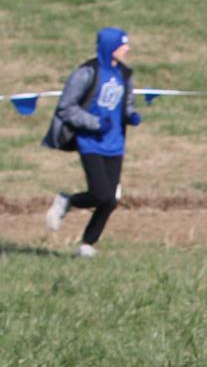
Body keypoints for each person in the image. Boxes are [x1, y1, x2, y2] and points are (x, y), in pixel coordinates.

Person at [43, 27, 142, 259]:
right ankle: (66, 200)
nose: (127, 49)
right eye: (122, 45)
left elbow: (125, 103)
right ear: (110, 48)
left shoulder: (125, 74)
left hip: (115, 144)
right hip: (91, 142)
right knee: (100, 195)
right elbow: (66, 108)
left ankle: (87, 244)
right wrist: (95, 123)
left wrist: (130, 114)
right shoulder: (86, 73)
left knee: (110, 200)